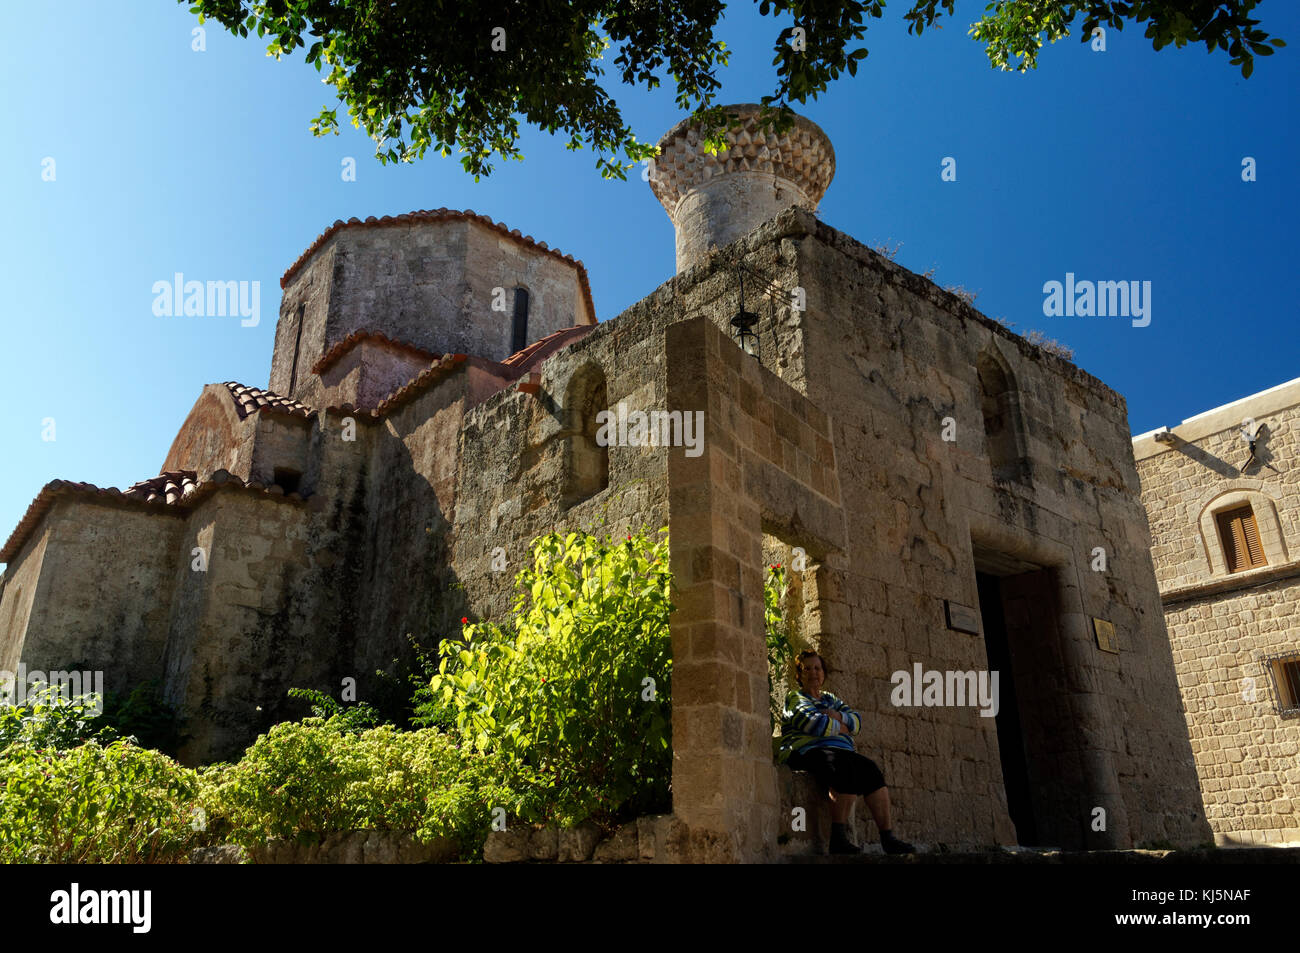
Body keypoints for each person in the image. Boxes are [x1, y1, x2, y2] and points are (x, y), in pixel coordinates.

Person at [781, 650, 917, 855]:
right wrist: (843, 724)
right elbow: (814, 725)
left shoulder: (831, 699)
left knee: (871, 771)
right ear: (799, 675)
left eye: (817, 668)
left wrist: (836, 717)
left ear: (823, 673)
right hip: (807, 750)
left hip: (840, 751)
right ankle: (838, 839)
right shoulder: (795, 698)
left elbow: (857, 722)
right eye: (807, 669)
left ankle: (887, 838)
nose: (813, 673)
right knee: (841, 767)